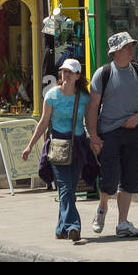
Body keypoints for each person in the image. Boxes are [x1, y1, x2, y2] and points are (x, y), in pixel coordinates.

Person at [86, 32, 138, 238]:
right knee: (109, 178)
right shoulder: (104, 73)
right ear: (116, 51)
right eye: (126, 47)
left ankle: (122, 223)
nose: (131, 49)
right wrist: (93, 135)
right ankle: (102, 207)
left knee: (130, 178)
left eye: (131, 46)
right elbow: (93, 106)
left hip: (132, 132)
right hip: (109, 133)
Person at [22, 58, 92, 241]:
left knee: (69, 188)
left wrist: (95, 140)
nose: (66, 74)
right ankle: (74, 226)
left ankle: (61, 228)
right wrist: (30, 145)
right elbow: (43, 122)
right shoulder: (52, 95)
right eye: (64, 71)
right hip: (57, 146)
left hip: (77, 145)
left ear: (77, 76)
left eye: (70, 72)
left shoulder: (84, 97)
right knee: (65, 187)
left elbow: (90, 122)